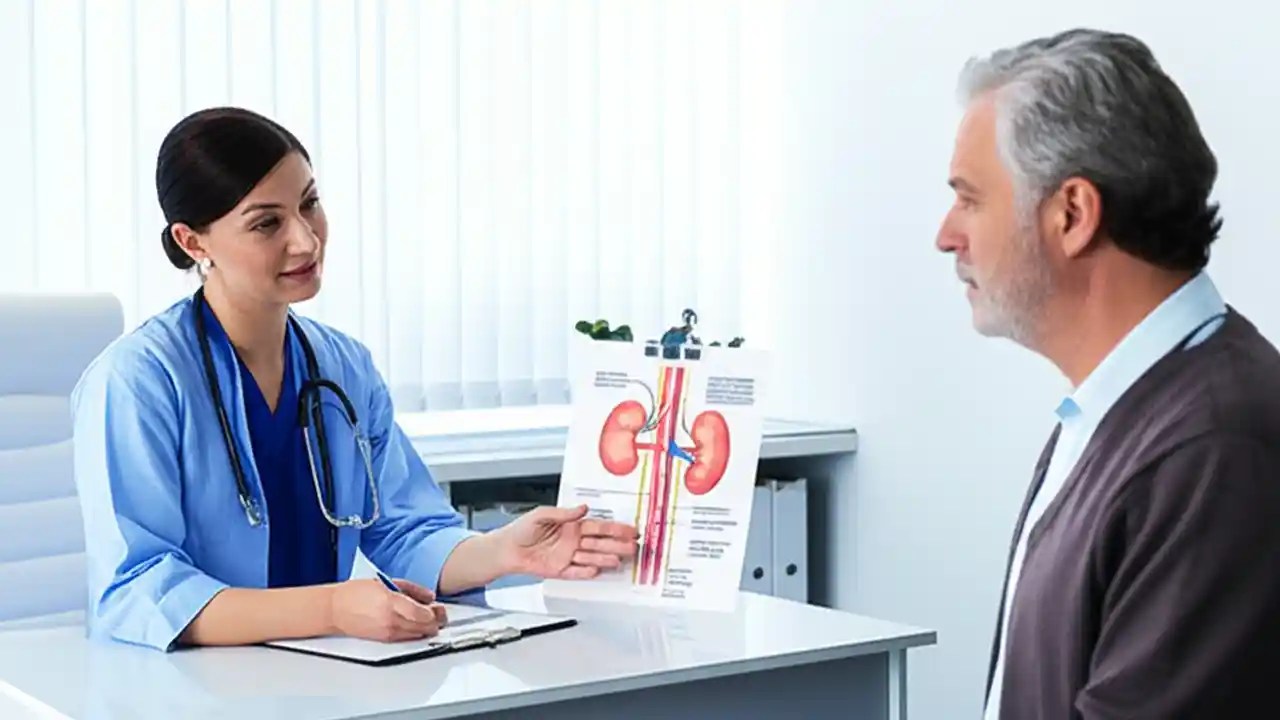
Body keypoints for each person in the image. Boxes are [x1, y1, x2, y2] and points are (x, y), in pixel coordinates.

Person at [71, 106, 638, 652]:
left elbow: (405, 531)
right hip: (186, 688)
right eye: (267, 223)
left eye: (309, 204)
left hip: (329, 675)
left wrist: (507, 551)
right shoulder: (138, 381)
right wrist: (332, 609)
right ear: (193, 242)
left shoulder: (342, 366)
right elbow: (139, 589)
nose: (306, 239)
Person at [936, 29, 1280, 718]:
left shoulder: (1210, 453)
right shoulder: (1118, 413)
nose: (947, 235)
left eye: (970, 199)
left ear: (1072, 214)